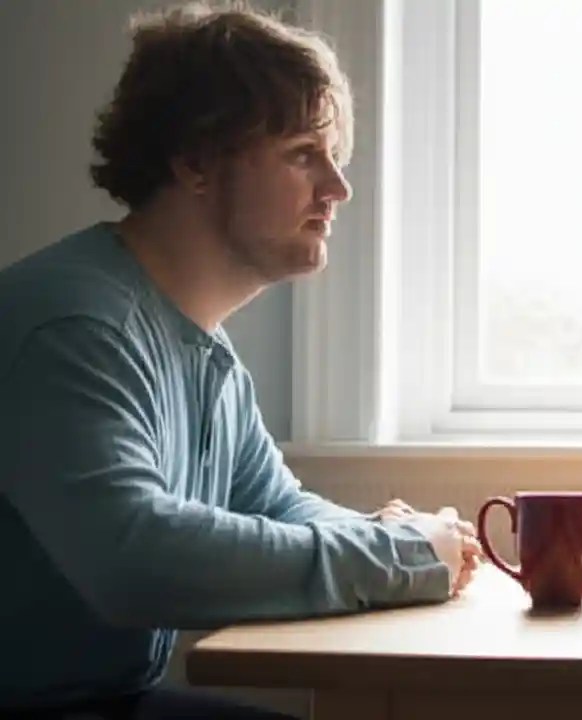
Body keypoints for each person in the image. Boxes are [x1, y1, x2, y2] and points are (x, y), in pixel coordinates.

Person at [0, 3, 482, 717]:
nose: (338, 189)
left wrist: (394, 536)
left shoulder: (203, 346)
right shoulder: (76, 328)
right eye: (301, 154)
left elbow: (274, 505)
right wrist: (401, 557)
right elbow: (135, 560)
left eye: (333, 158)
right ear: (195, 161)